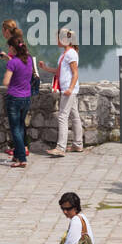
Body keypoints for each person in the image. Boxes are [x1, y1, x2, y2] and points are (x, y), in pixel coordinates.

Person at [41, 28, 82, 157]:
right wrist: (45, 68)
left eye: (58, 38)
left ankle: (61, 147)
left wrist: (70, 88)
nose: (56, 40)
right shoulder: (65, 54)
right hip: (68, 89)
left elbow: (75, 73)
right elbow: (59, 72)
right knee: (74, 116)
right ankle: (78, 144)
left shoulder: (71, 54)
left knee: (63, 117)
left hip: (68, 90)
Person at [2, 34, 34, 168]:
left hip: (14, 98)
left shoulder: (12, 63)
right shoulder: (29, 59)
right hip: (26, 97)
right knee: (21, 126)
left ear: (11, 47)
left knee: (15, 129)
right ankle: (17, 155)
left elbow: (6, 82)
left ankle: (22, 159)